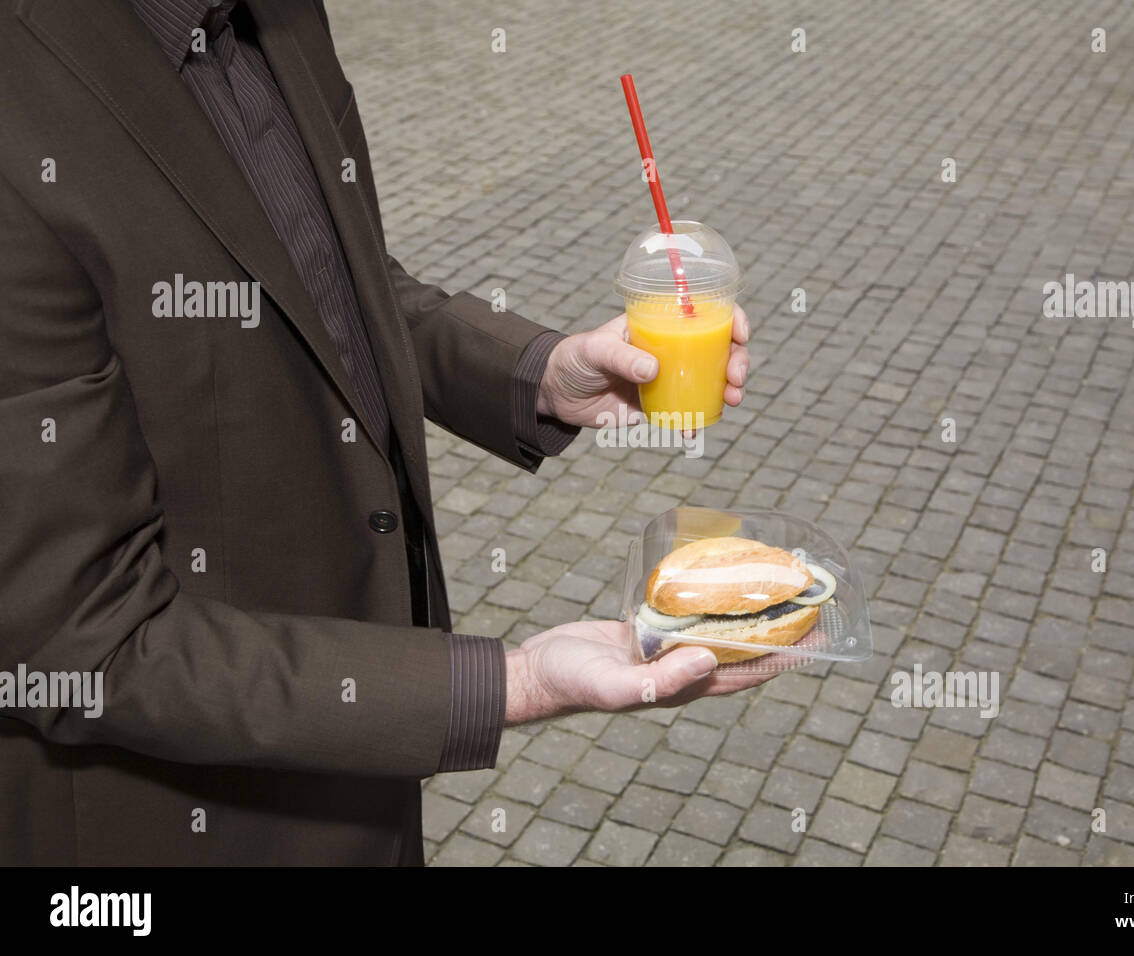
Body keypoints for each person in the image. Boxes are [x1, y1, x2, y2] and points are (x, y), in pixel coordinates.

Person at [0, 0, 754, 865]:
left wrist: (540, 371)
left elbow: (335, 284)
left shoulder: (280, 16)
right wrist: (506, 685)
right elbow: (87, 635)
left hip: (359, 773)